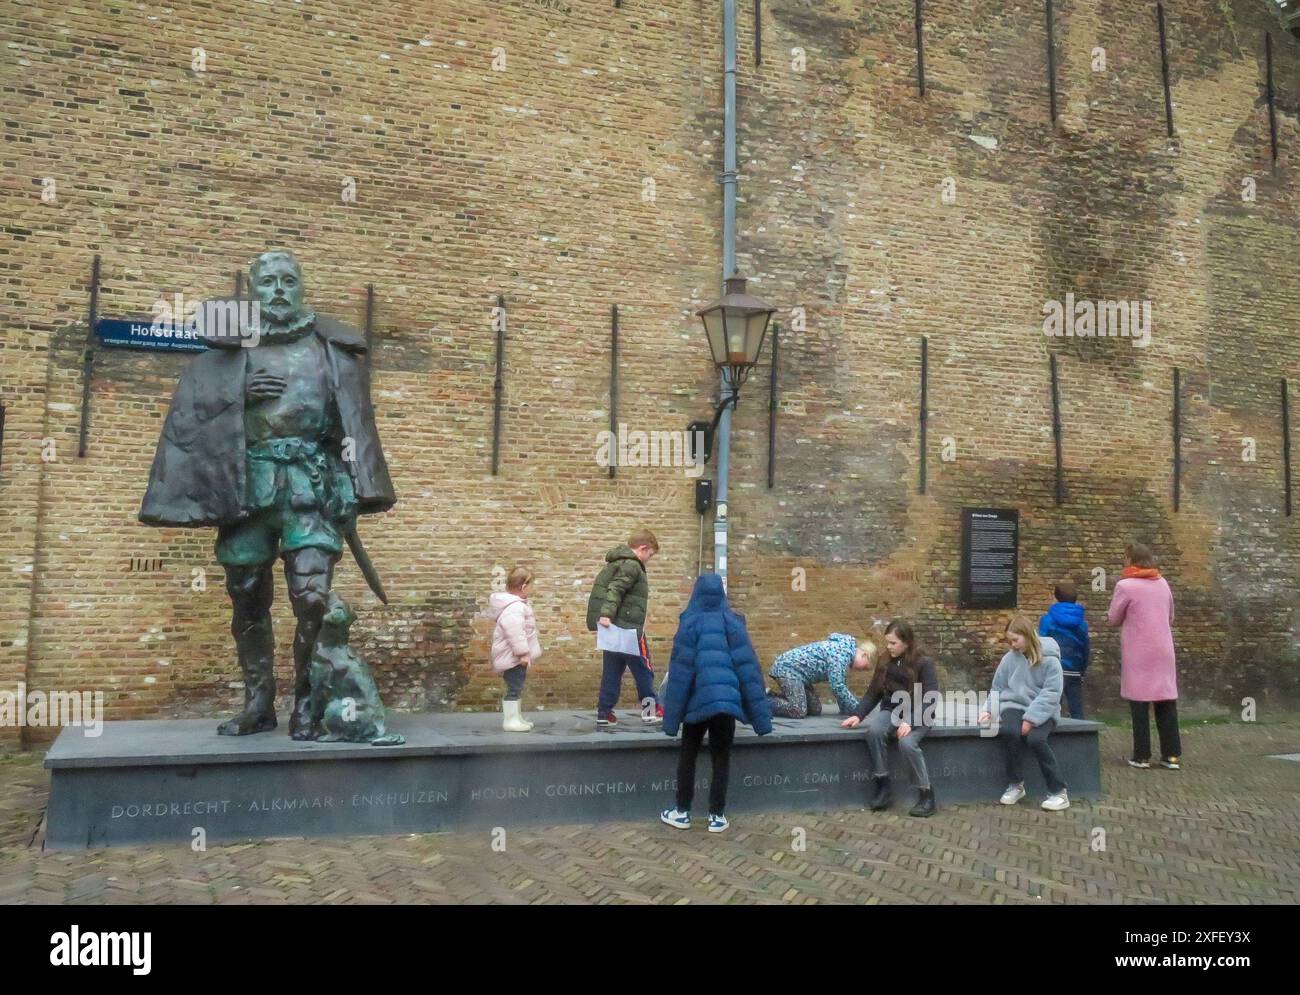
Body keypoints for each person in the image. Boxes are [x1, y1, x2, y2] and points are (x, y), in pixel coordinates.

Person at [660, 573, 772, 833]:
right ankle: (717, 816)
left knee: (688, 755)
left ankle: (682, 812)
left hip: (695, 704)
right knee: (721, 758)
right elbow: (749, 669)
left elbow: (679, 673)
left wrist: (670, 720)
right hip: (726, 705)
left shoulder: (689, 623)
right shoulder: (734, 623)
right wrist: (761, 718)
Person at [841, 618, 940, 818]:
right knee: (874, 731)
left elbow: (931, 698)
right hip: (892, 711)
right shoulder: (885, 660)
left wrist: (910, 722)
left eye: (893, 643)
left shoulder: (923, 662)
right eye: (887, 642)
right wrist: (858, 715)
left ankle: (926, 795)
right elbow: (873, 693)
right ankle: (883, 787)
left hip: (919, 713)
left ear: (907, 642)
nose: (889, 647)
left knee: (907, 742)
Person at [980, 615, 1069, 811]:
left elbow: (1051, 693)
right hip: (1014, 705)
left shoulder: (1050, 661)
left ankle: (1058, 791)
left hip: (1044, 710)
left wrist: (1031, 719)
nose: (1012, 645)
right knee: (1010, 732)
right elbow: (998, 687)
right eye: (1009, 641)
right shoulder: (1009, 659)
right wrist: (988, 709)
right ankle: (1015, 785)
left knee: (1036, 740)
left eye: (1015, 640)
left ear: (1028, 636)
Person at [1108, 542, 1180, 770]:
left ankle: (1142, 755)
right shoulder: (1162, 582)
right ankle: (1171, 756)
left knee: (1139, 703)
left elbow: (1113, 618)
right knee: (1165, 700)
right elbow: (1170, 615)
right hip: (1163, 649)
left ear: (1131, 559)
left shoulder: (1125, 585)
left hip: (1139, 650)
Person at [586, 528, 662, 726]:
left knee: (612, 671)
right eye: (650, 555)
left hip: (613, 631)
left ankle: (604, 712)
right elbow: (616, 589)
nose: (649, 559)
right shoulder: (632, 565)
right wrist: (606, 614)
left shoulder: (617, 563)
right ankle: (650, 710)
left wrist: (607, 618)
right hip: (629, 630)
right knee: (643, 669)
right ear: (643, 548)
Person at [488, 566, 543, 732]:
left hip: (513, 656)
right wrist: (523, 653)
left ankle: (516, 717)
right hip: (512, 657)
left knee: (517, 686)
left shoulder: (515, 605)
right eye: (532, 585)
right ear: (524, 587)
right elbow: (515, 632)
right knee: (514, 687)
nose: (533, 589)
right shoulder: (515, 607)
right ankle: (510, 720)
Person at [767, 634, 875, 718]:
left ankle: (777, 696)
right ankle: (765, 701)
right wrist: (859, 710)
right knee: (798, 710)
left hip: (801, 676)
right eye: (865, 667)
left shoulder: (844, 653)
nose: (861, 670)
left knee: (815, 709)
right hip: (787, 669)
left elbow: (841, 686)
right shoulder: (841, 654)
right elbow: (837, 686)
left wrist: (847, 710)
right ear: (865, 654)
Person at [1038, 580, 1090, 719]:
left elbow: (1041, 644)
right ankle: (1081, 737)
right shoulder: (1082, 623)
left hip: (1053, 669)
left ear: (1056, 597)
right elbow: (1085, 648)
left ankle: (1052, 737)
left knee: (1052, 706)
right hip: (1074, 669)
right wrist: (1082, 670)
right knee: (1076, 707)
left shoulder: (1047, 620)